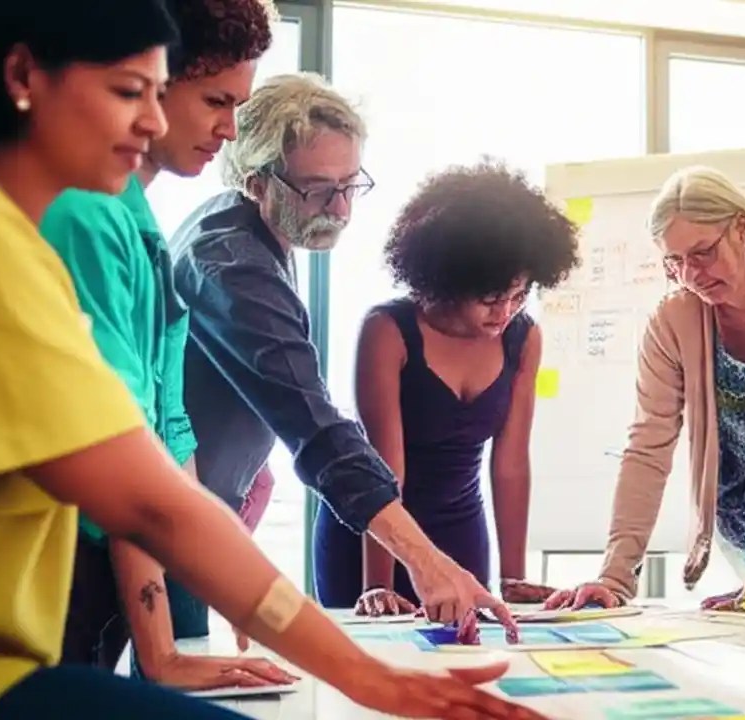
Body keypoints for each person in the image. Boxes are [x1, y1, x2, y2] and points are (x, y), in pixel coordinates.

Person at [0, 1, 542, 719]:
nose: (154, 123)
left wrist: (357, 670)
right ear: (25, 75)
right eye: (132, 93)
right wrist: (373, 676)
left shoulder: (16, 227)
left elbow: (162, 463)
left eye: (159, 94)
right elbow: (153, 502)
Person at [169, 73, 513, 639]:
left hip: (205, 516)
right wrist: (424, 563)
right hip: (169, 526)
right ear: (258, 182)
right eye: (318, 189)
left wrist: (251, 470)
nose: (341, 208)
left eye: (351, 185)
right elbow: (316, 425)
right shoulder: (233, 261)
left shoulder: (260, 232)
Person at [40, 0, 292, 690]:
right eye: (215, 100)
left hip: (100, 580)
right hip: (48, 574)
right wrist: (163, 655)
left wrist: (231, 577)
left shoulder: (139, 216)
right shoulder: (83, 211)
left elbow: (168, 427)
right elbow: (123, 454)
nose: (228, 129)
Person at [546, 166, 745, 613]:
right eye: (674, 262)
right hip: (743, 540)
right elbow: (647, 448)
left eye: (702, 253)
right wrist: (615, 577)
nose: (690, 275)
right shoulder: (671, 320)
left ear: (741, 228)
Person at [318, 161, 579, 614]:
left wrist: (512, 578)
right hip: (372, 534)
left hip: (460, 531)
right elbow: (384, 465)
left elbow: (511, 463)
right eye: (492, 299)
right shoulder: (389, 330)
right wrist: (376, 585)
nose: (506, 312)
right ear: (453, 279)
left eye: (519, 296)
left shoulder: (523, 339)